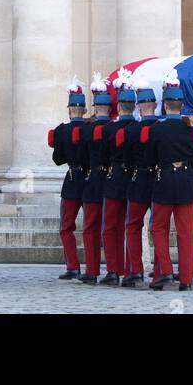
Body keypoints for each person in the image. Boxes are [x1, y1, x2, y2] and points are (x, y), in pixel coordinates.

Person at [147, 74, 193, 292]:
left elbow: (150, 158)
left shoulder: (157, 129)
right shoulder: (192, 128)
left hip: (165, 180)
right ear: (181, 105)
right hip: (187, 179)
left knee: (159, 228)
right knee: (186, 232)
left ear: (165, 105)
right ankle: (186, 280)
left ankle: (166, 269)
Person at [121, 85, 160, 289]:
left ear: (139, 107)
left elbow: (126, 160)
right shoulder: (161, 127)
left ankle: (135, 269)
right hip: (160, 181)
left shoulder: (130, 130)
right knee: (159, 228)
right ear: (155, 105)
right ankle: (161, 270)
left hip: (138, 180)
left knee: (133, 226)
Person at [47, 79, 87, 280]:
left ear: (69, 109)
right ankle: (93, 266)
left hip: (72, 180)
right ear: (85, 110)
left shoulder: (62, 130)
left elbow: (57, 159)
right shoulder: (91, 128)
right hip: (90, 180)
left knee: (66, 227)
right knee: (92, 227)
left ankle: (73, 265)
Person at [101, 75, 136, 286]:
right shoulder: (141, 128)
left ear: (120, 108)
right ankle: (131, 269)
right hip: (134, 179)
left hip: (114, 179)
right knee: (131, 226)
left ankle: (114, 269)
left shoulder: (108, 130)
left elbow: (104, 156)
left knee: (111, 227)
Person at [79, 75, 112, 285]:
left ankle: (92, 270)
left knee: (91, 227)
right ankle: (115, 269)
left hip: (92, 179)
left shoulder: (86, 129)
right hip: (112, 179)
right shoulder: (117, 128)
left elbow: (81, 157)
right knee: (112, 227)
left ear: (94, 105)